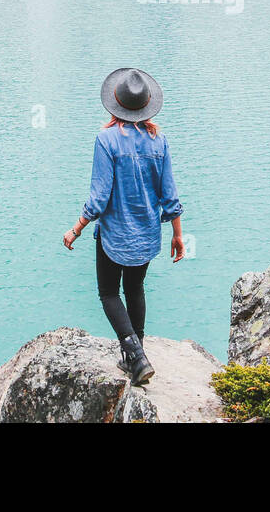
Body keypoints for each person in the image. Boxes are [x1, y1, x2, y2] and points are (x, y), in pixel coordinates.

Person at [63, 68, 185, 385]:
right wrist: (178, 234)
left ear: (114, 105)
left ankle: (136, 355)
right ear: (146, 105)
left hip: (114, 235)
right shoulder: (159, 142)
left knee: (108, 293)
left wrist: (76, 227)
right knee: (134, 289)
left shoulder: (106, 140)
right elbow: (169, 194)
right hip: (146, 234)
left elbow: (99, 197)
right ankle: (138, 356)